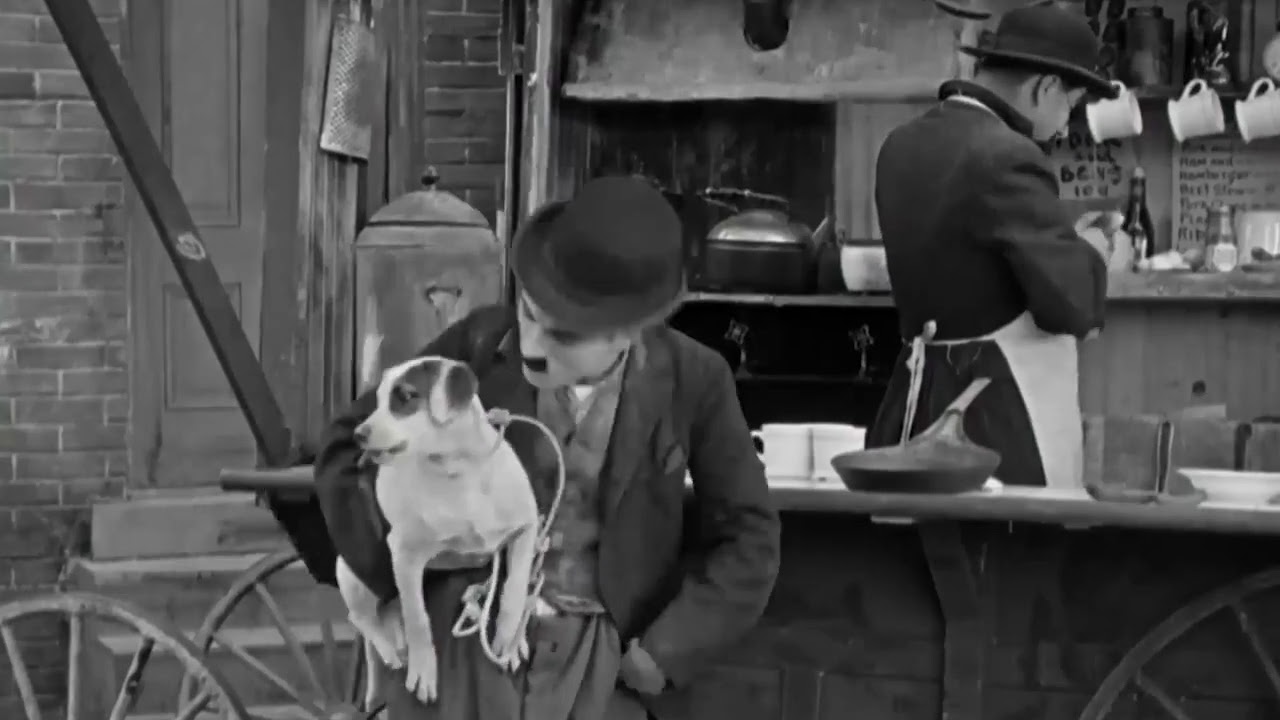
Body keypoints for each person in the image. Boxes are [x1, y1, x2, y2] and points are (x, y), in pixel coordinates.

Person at [314, 175, 781, 719]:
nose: (531, 346)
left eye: (562, 335)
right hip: (461, 649)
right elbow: (345, 447)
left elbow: (749, 538)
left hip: (603, 669)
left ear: (630, 331)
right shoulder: (479, 344)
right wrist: (387, 580)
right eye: (529, 314)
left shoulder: (694, 379)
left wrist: (660, 655)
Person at [867, 4, 1119, 488]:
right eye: (1070, 105)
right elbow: (1071, 307)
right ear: (1045, 87)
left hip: (914, 408)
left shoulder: (899, 145)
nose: (1064, 127)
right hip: (995, 423)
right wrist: (1094, 249)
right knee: (1011, 538)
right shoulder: (1007, 155)